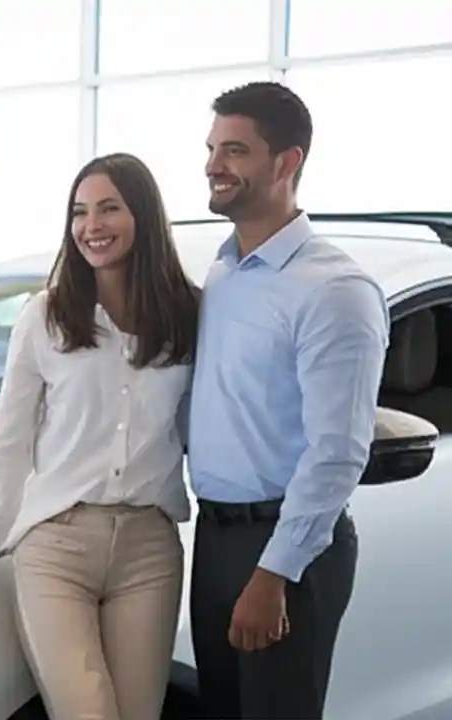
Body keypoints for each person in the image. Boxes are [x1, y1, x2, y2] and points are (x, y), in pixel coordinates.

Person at [0, 152, 200, 720]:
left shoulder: (189, 313)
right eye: (79, 212)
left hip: (151, 548)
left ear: (143, 215)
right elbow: (8, 442)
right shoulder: (45, 315)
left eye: (108, 209)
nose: (91, 226)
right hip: (57, 547)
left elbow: (203, 428)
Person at [187, 81, 389, 719]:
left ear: (287, 162)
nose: (214, 166)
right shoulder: (221, 276)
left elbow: (336, 452)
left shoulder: (335, 290)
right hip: (215, 538)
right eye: (212, 148)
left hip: (286, 549)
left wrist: (275, 573)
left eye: (235, 151)